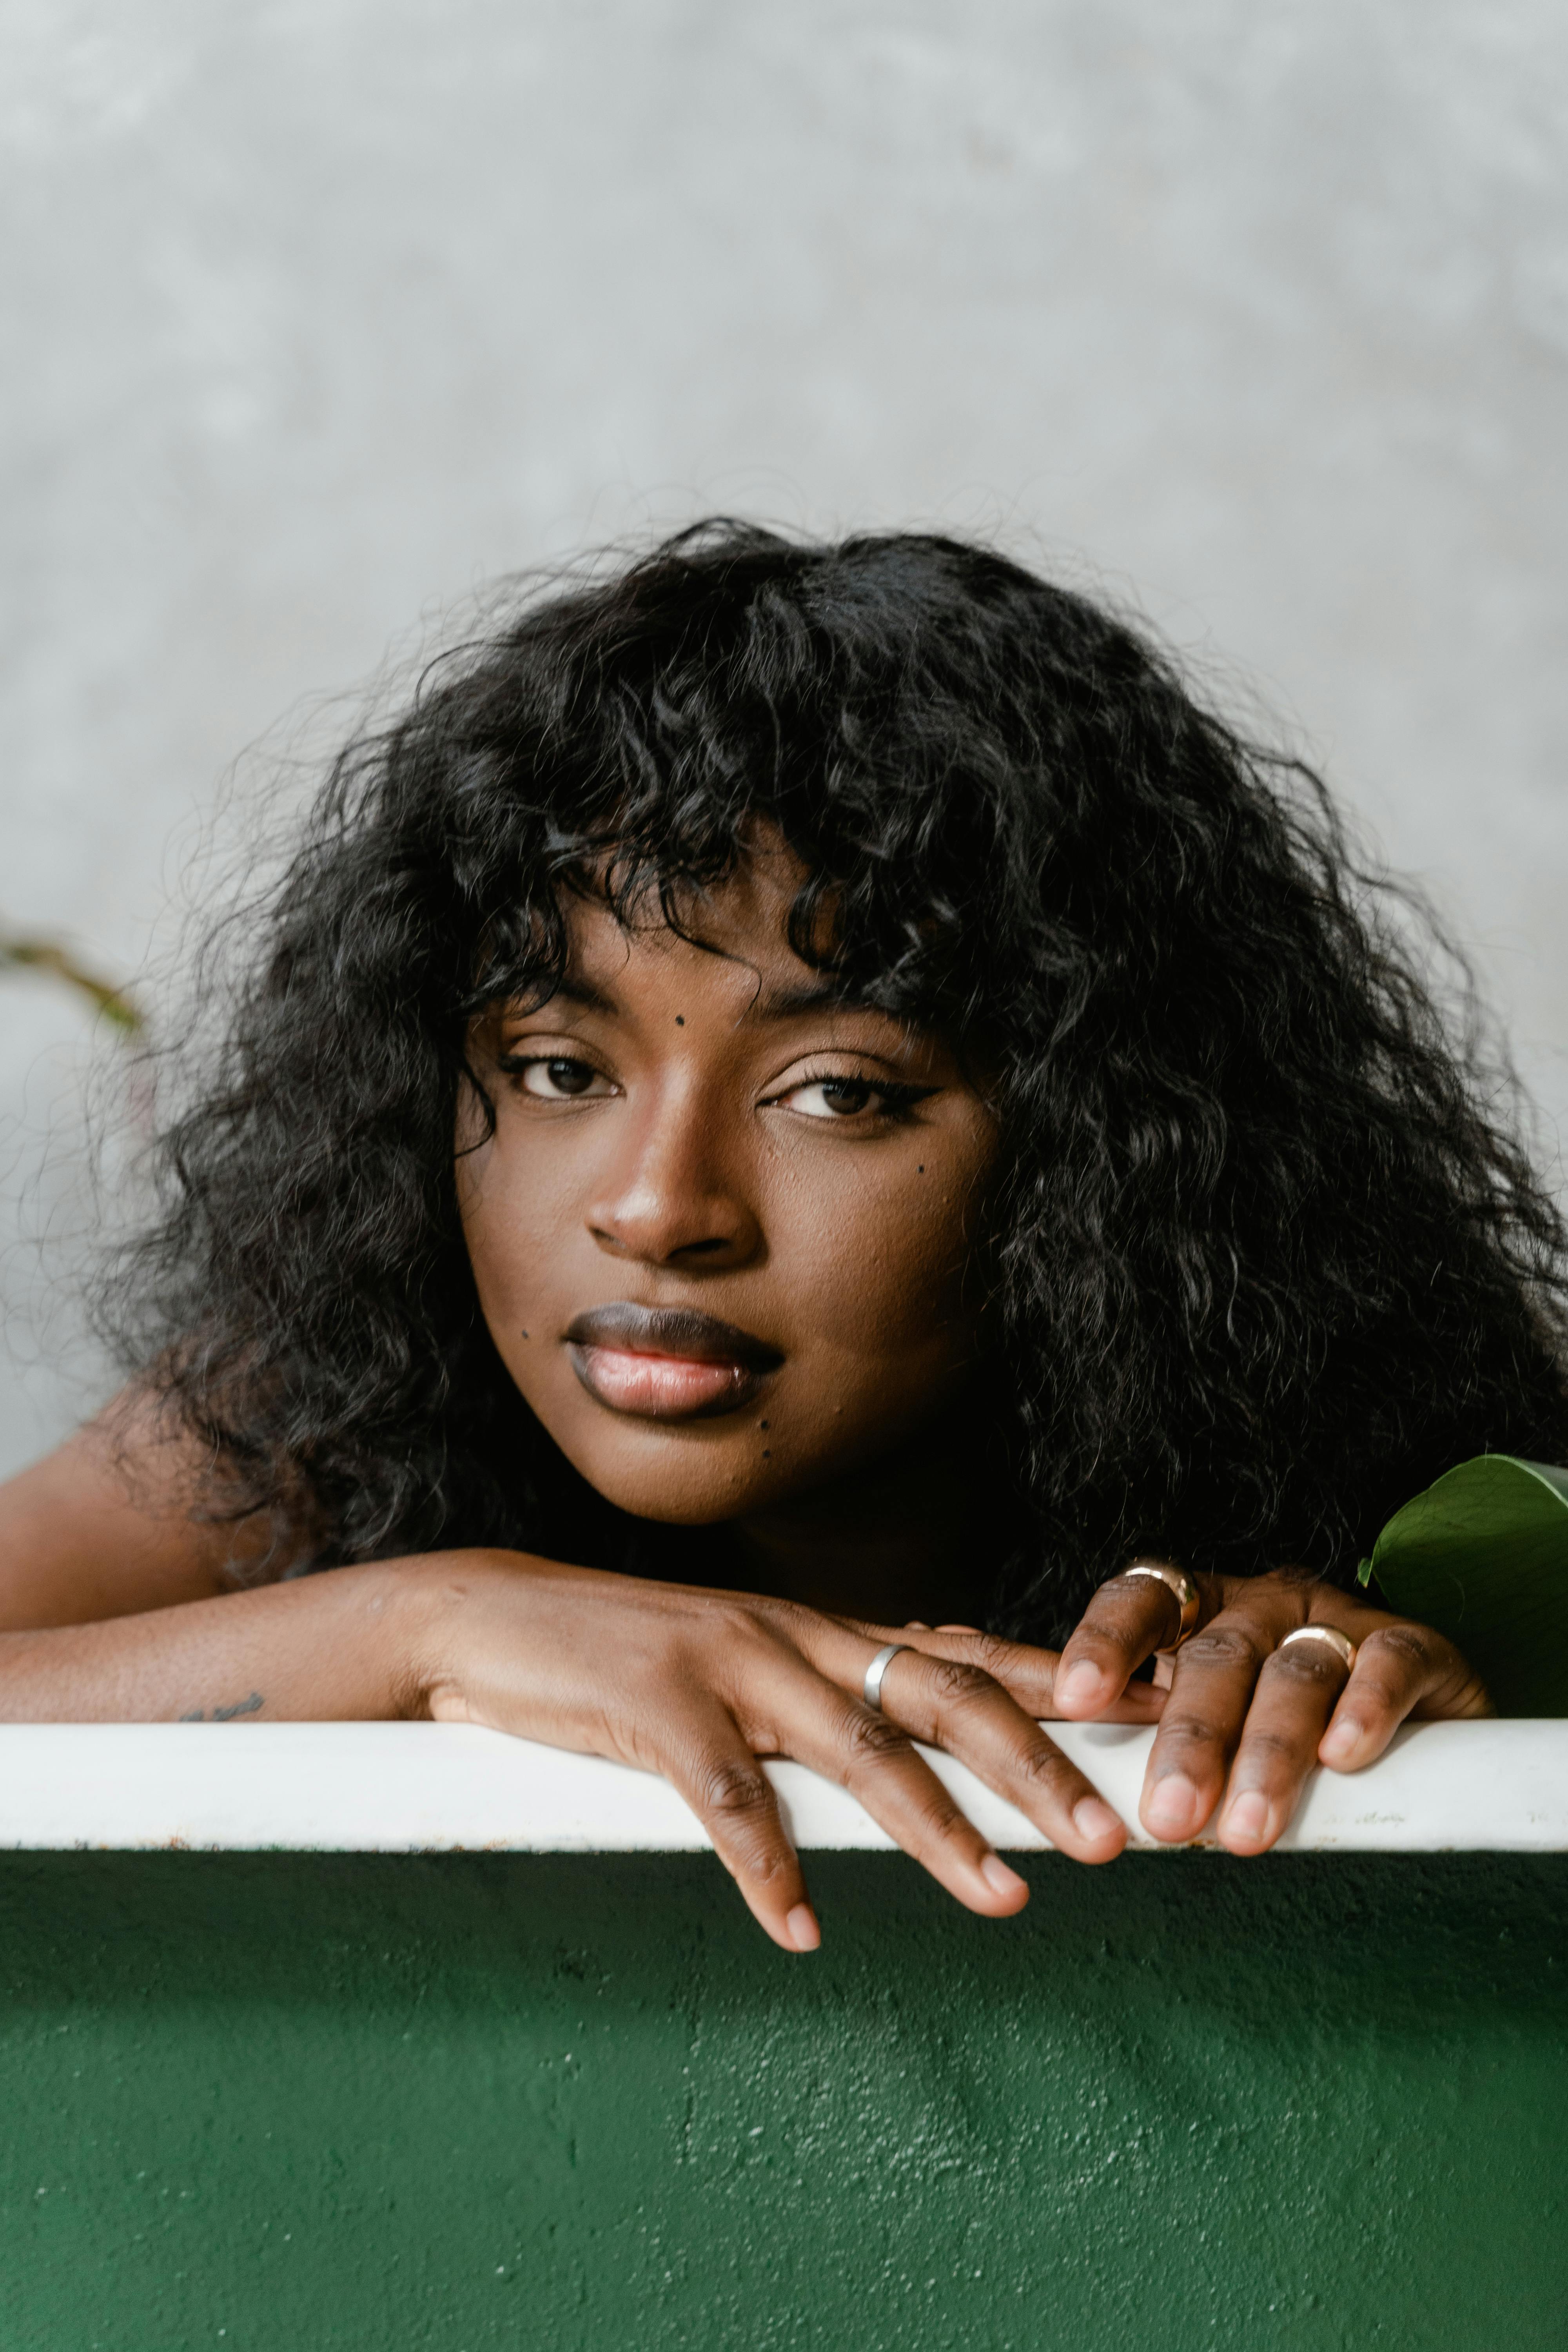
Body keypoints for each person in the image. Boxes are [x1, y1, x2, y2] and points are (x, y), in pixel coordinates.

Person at [0, 523, 1556, 1950]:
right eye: (557, 1070)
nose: (659, 1208)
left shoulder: (1393, 1505)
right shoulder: (332, 1393)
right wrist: (431, 1624)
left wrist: (1441, 1705)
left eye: (839, 1094)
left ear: (1107, 1152)